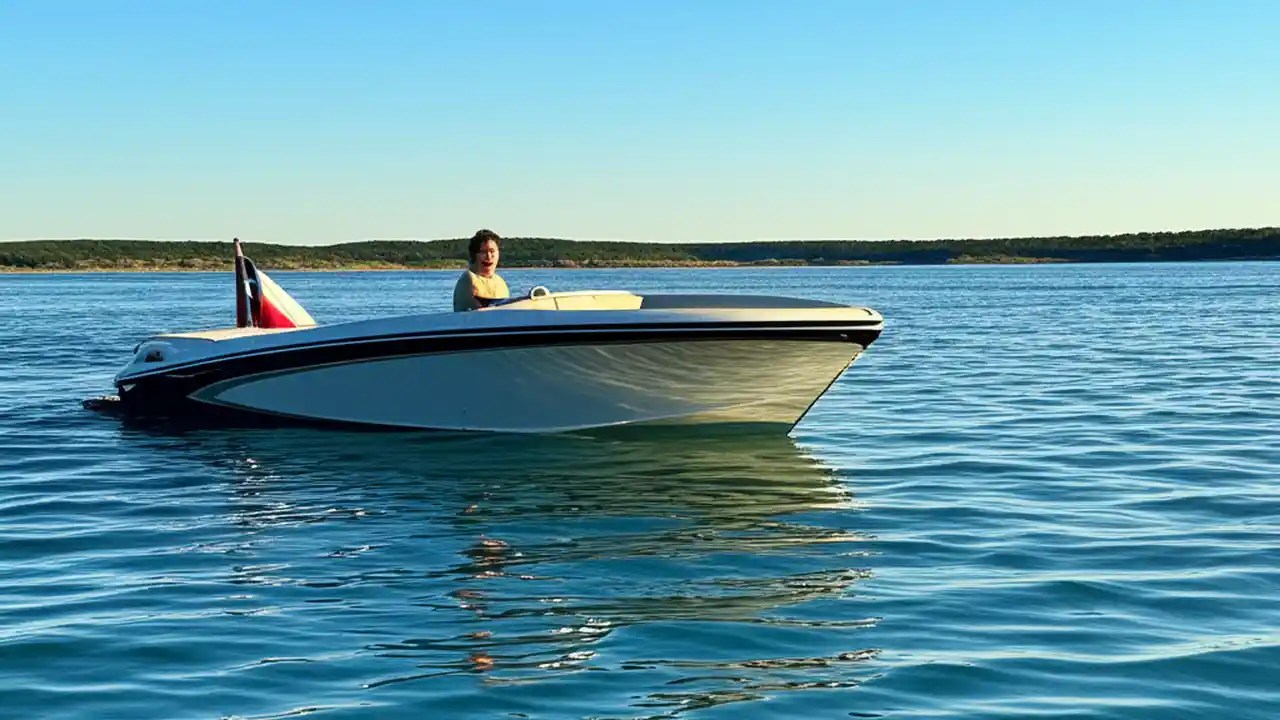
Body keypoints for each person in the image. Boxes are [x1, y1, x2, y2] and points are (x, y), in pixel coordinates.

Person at [453, 229, 510, 311]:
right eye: (483, 252)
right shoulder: (469, 278)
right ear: (474, 255)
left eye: (492, 251)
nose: (489, 256)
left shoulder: (500, 282)